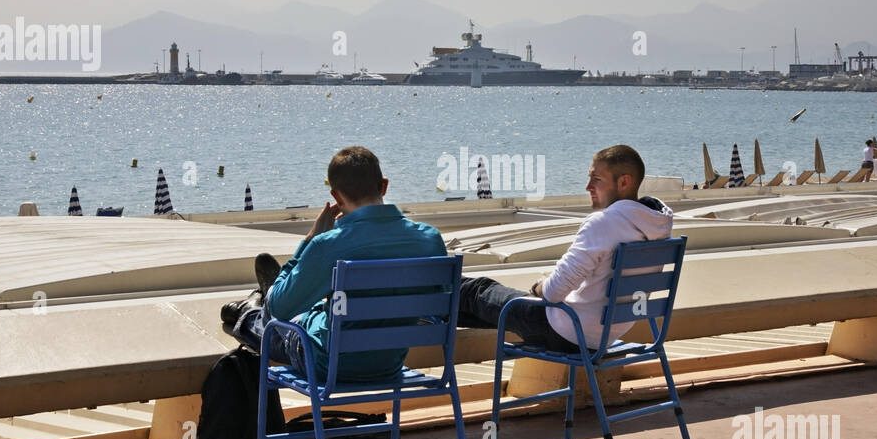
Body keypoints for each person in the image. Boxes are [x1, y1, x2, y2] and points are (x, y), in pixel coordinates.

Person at [222, 146, 447, 383]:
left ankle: (249, 312)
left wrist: (309, 241)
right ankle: (265, 299)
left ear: (336, 197)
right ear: (384, 186)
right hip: (390, 364)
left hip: (329, 368)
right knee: (318, 310)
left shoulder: (328, 246)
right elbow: (439, 308)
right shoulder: (430, 239)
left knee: (272, 320)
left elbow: (279, 309)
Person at [458, 144, 674, 352]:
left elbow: (553, 292)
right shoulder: (658, 228)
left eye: (597, 179)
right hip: (604, 335)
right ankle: (441, 315)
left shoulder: (603, 224)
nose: (588, 187)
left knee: (475, 290)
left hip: (567, 331)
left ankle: (437, 314)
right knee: (471, 309)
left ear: (624, 182)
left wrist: (538, 286)